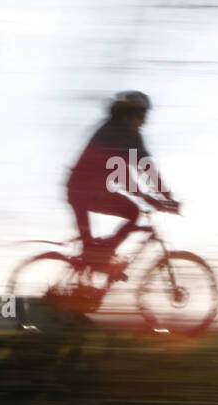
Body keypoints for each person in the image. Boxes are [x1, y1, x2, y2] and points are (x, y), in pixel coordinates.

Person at [66, 91, 179, 278]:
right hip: (82, 191)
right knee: (132, 212)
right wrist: (147, 197)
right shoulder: (111, 133)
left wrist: (167, 196)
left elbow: (146, 166)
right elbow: (121, 174)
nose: (144, 121)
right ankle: (100, 257)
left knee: (129, 215)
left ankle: (100, 257)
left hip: (91, 190)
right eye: (141, 116)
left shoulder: (132, 136)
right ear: (128, 115)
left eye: (145, 116)